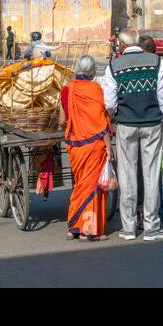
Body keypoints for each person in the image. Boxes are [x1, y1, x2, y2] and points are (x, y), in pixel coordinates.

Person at [99, 32, 163, 241]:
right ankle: (151, 226)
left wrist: (112, 118)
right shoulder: (156, 62)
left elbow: (109, 103)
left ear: (122, 45)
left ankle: (128, 227)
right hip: (152, 125)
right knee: (151, 176)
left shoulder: (114, 67)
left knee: (127, 175)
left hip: (126, 125)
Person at [59, 55, 111, 241]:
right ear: (93, 72)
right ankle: (87, 230)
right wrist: (109, 147)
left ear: (76, 69)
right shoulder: (96, 89)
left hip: (75, 146)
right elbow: (101, 122)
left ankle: (74, 227)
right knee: (92, 187)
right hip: (94, 145)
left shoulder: (67, 90)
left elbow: (62, 120)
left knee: (81, 185)